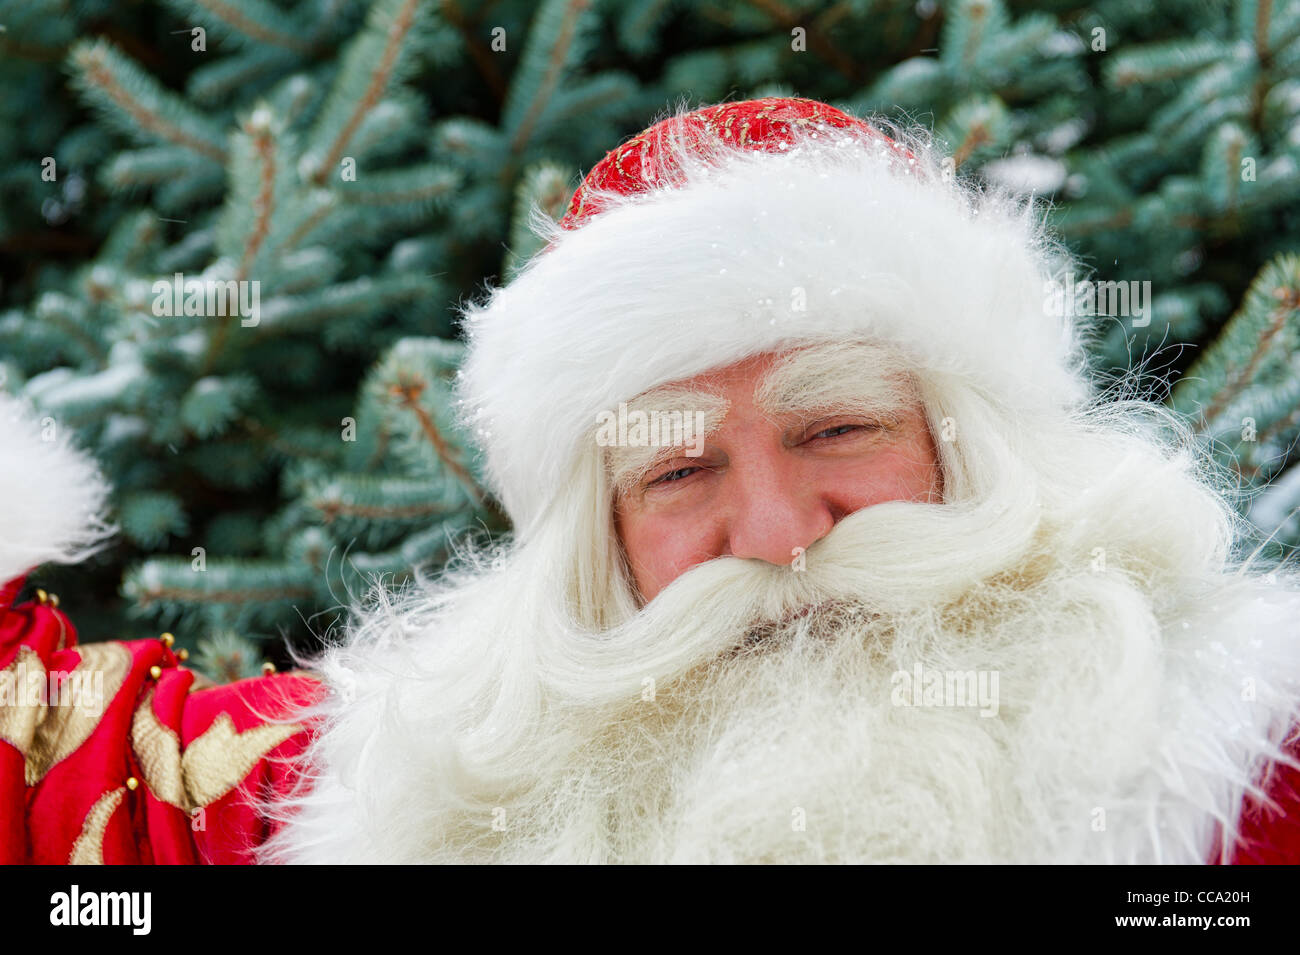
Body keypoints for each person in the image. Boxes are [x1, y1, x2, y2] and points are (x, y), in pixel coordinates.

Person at [2, 97, 1298, 865]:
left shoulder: (1239, 766)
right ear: (601, 536)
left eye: (837, 430)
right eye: (679, 469)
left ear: (970, 442)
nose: (781, 535)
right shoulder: (415, 795)